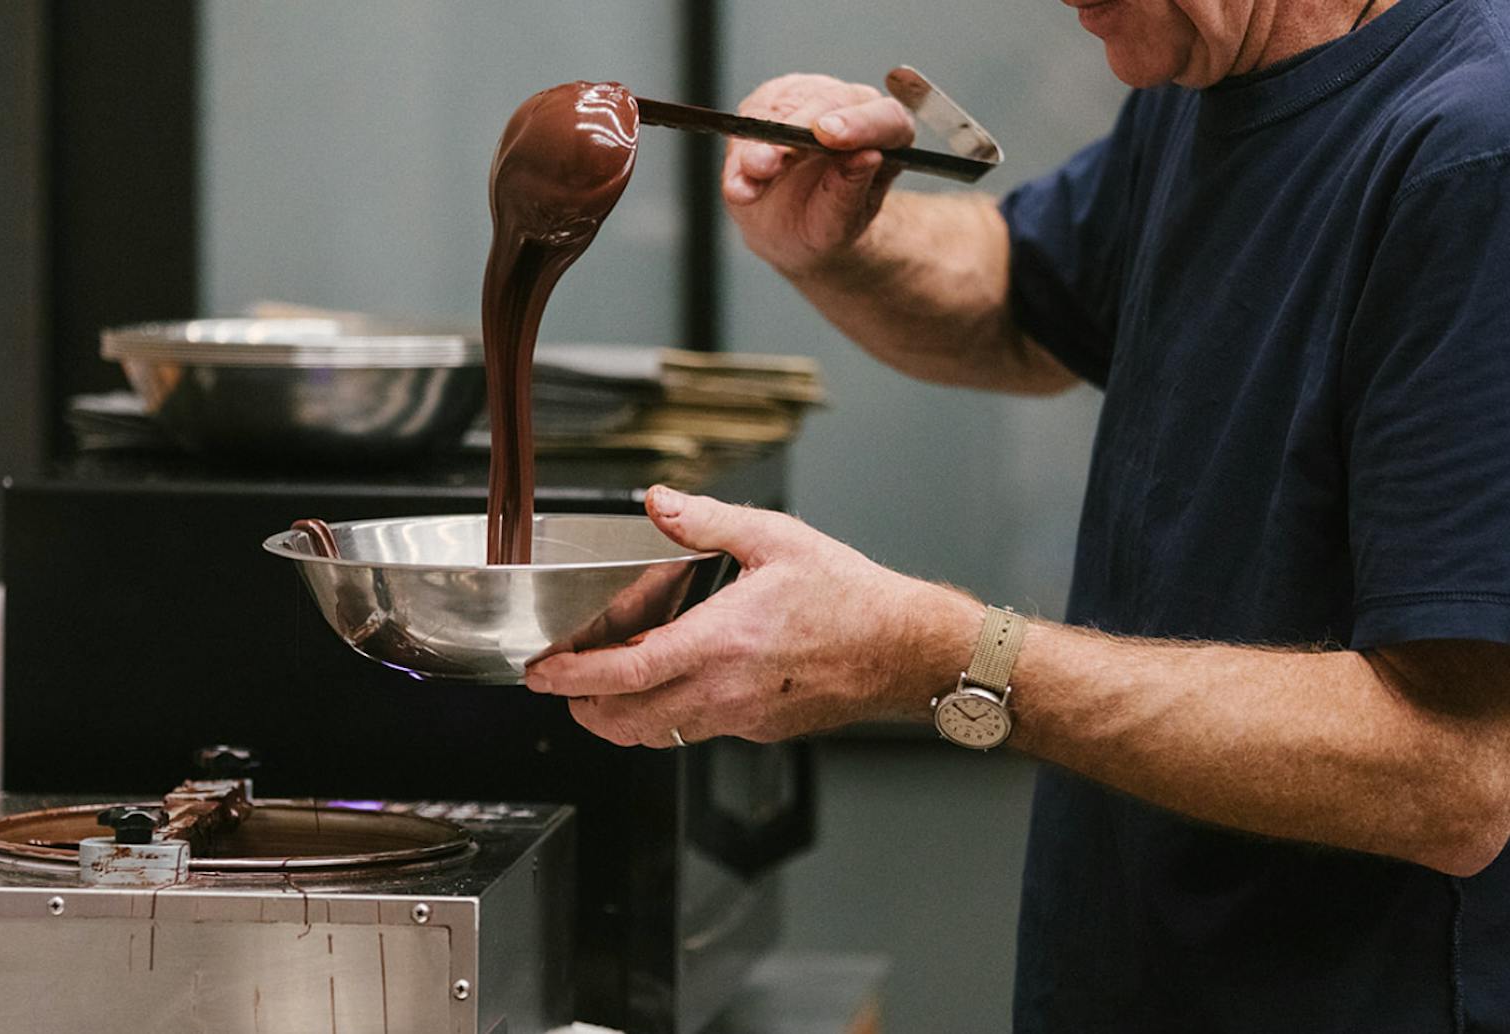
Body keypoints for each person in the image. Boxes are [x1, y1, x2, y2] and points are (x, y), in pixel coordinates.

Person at [522, 0, 1510, 1027]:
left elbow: (1453, 775)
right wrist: (840, 238)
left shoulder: (1471, 154)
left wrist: (948, 654)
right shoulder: (1204, 78)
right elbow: (1022, 300)